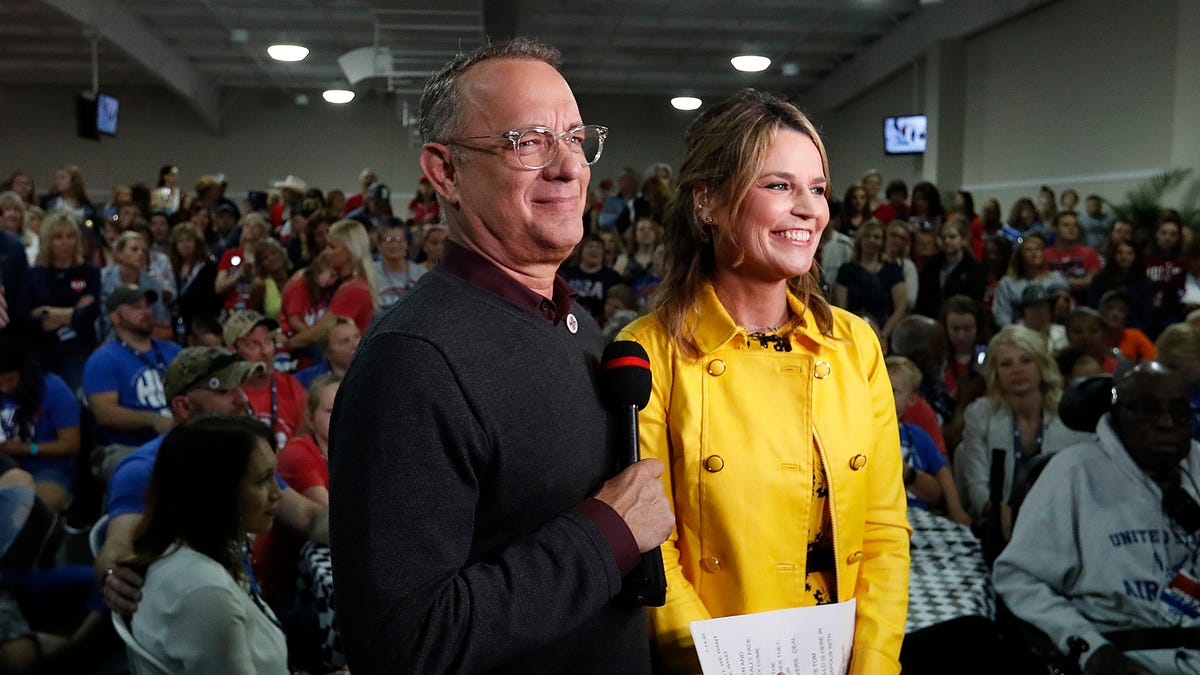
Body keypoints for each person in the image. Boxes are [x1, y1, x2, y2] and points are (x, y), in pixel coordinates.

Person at [329, 38, 673, 674]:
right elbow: (404, 645)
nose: (568, 167)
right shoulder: (413, 363)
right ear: (446, 172)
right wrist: (608, 535)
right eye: (529, 141)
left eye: (575, 138)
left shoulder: (571, 322)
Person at [618, 88, 909, 674]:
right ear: (709, 202)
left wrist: (872, 664)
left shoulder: (855, 344)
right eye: (779, 185)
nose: (809, 208)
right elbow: (652, 551)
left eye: (818, 189)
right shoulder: (650, 352)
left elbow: (882, 531)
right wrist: (715, 662)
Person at [994, 362, 1200, 675]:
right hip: (1121, 653)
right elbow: (1017, 578)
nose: (1167, 423)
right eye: (1148, 411)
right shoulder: (1073, 472)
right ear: (1119, 416)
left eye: (1180, 412)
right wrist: (1093, 652)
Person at [119, 415, 287, 674]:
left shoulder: (191, 552)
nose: (277, 493)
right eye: (262, 480)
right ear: (218, 492)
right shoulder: (204, 590)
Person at [953, 325, 1093, 527]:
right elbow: (978, 485)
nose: (1017, 370)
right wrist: (1002, 516)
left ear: (1042, 365)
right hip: (998, 522)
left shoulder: (1070, 413)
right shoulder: (980, 414)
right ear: (996, 373)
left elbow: (1080, 485)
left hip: (1058, 521)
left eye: (1026, 360)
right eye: (1006, 364)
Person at [83, 287, 181, 477]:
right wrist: (153, 420)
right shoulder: (103, 359)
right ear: (115, 317)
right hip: (128, 447)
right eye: (136, 307)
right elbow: (105, 414)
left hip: (178, 440)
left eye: (147, 306)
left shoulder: (174, 351)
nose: (145, 312)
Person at [17, 212, 100, 391]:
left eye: (70, 237)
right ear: (48, 241)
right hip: (40, 349)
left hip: (77, 349)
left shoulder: (89, 271)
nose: (65, 242)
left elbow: (90, 313)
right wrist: (71, 312)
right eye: (58, 237)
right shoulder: (33, 274)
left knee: (76, 401)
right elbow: (23, 316)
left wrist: (45, 311)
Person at [0, 337, 80, 513]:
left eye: (10, 380)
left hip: (46, 468)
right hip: (4, 467)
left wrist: (29, 449)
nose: (4, 389)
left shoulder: (52, 387)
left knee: (31, 510)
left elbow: (71, 444)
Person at [887, 356, 970, 524]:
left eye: (894, 390)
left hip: (918, 515)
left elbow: (943, 471)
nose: (884, 394)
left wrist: (956, 510)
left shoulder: (919, 436)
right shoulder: (862, 431)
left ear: (911, 399)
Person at [223, 310, 305, 449]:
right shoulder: (223, 394)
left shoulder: (291, 386)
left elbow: (304, 444)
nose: (265, 351)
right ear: (232, 351)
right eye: (253, 344)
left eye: (268, 341)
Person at [834, 218, 907, 344]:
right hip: (852, 335)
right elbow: (841, 308)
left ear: (883, 242)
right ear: (860, 240)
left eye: (877, 237)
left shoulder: (893, 270)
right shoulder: (846, 270)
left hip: (884, 335)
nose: (871, 240)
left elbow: (900, 308)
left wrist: (883, 335)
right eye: (867, 236)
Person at [914, 216, 985, 320]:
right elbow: (923, 296)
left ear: (964, 240)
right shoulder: (932, 264)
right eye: (944, 237)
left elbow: (974, 301)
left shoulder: (975, 269)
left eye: (952, 237)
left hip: (960, 321)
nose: (947, 241)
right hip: (931, 319)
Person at [991, 232, 1068, 327]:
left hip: (1052, 330)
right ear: (1020, 256)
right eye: (1028, 250)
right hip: (1017, 332)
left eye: (1038, 249)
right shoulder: (1007, 282)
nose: (1034, 253)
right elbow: (1001, 313)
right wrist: (1013, 333)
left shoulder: (1056, 279)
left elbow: (1067, 309)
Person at [374, 217, 426, 311]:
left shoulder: (421, 273)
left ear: (406, 243)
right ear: (379, 244)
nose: (394, 245)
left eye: (399, 239)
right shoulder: (369, 273)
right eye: (388, 240)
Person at [293, 317, 359, 389]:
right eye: (345, 341)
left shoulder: (370, 369)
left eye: (357, 337)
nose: (355, 344)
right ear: (328, 353)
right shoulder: (307, 380)